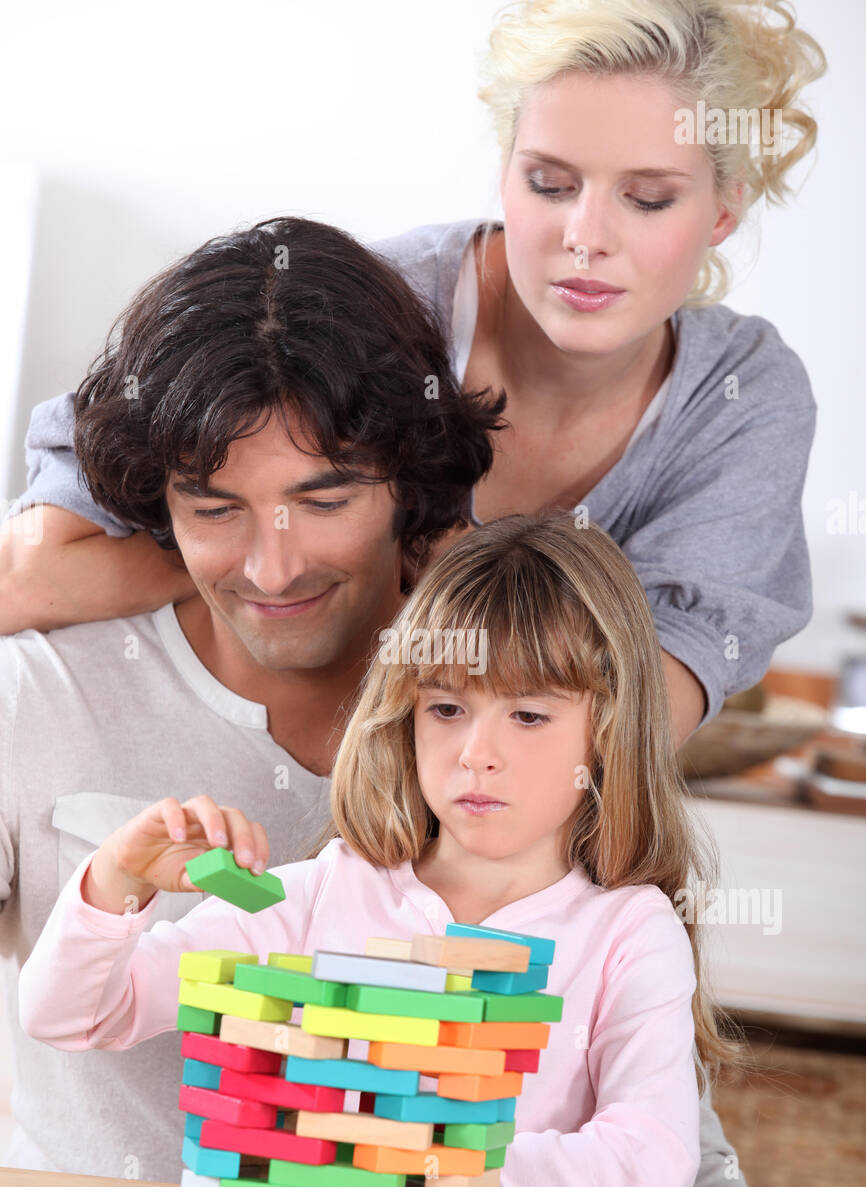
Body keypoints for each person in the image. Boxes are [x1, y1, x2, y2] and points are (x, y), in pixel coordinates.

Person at [0, 0, 828, 749]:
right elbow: (35, 571)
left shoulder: (743, 399)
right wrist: (333, 567)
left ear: (723, 209)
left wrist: (406, 564)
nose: (584, 235)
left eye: (647, 198)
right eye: (549, 183)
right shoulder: (359, 305)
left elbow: (634, 718)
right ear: (506, 170)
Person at [21, 513, 754, 1187]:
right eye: (446, 708)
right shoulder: (324, 891)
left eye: (528, 716)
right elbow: (72, 1014)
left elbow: (644, 1184)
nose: (476, 752)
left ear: (606, 731)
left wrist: (394, 1148)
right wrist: (117, 879)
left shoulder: (629, 931)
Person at [0, 214, 498, 1182]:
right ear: (152, 506)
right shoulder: (34, 694)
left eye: (324, 501)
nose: (272, 568)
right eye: (214, 509)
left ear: (407, 484)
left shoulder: (495, 723)